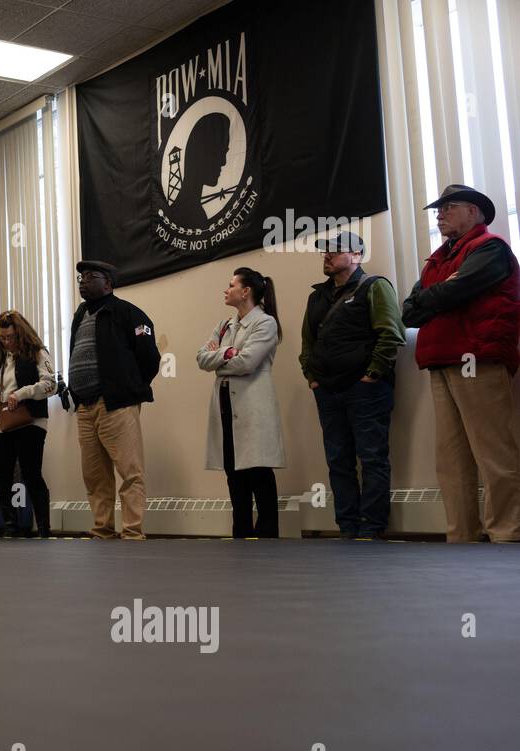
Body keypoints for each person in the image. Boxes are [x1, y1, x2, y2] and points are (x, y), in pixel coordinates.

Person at [402, 184, 520, 543]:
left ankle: (507, 533)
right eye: (438, 209)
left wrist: (435, 295)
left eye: (448, 207)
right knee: (451, 460)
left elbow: (456, 290)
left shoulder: (491, 248)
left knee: (493, 452)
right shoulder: (438, 259)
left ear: (475, 212)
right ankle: (462, 536)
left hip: (476, 358)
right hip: (441, 359)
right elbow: (409, 311)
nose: (439, 214)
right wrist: (442, 292)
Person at [301, 232, 405, 539]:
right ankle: (348, 528)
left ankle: (371, 529)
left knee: (372, 456)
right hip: (327, 391)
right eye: (325, 251)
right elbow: (308, 343)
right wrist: (312, 378)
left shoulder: (374, 286)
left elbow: (391, 334)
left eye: (335, 251)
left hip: (366, 390)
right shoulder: (316, 296)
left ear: (357, 256)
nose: (327, 256)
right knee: (337, 460)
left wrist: (372, 374)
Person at [67, 259, 161, 540]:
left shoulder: (129, 313)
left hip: (117, 404)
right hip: (85, 406)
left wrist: (129, 388)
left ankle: (132, 532)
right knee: (94, 476)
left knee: (130, 472)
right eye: (80, 277)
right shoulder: (80, 314)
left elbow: (150, 358)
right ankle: (102, 530)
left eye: (90, 276)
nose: (83, 281)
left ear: (108, 282)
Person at [197, 267, 285, 538]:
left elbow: (248, 362)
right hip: (226, 404)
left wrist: (220, 358)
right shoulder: (224, 325)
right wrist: (229, 352)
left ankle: (267, 534)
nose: (226, 290)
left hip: (252, 404)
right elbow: (201, 358)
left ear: (245, 291)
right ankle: (242, 532)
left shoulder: (265, 323)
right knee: (234, 473)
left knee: (258, 471)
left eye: (231, 284)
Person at [0, 310, 56, 538]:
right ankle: (10, 525)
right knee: (1, 476)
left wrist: (22, 393)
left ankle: (43, 527)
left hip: (30, 421)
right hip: (0, 424)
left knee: (32, 473)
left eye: (11, 337)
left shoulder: (38, 353)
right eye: (2, 338)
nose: (7, 342)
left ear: (21, 333)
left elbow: (51, 384)